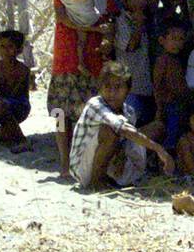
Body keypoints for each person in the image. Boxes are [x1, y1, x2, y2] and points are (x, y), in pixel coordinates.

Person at [49, 0, 113, 177]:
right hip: (66, 54)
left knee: (89, 110)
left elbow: (106, 14)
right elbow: (62, 16)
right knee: (60, 111)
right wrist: (92, 30)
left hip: (94, 55)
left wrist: (104, 36)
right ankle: (64, 162)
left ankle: (85, 162)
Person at [69, 62, 173, 190]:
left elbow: (126, 137)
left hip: (114, 164)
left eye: (118, 87)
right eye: (107, 86)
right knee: (109, 130)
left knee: (157, 128)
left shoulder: (128, 111)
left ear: (127, 90)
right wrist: (159, 150)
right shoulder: (95, 104)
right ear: (100, 88)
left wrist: (122, 152)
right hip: (84, 169)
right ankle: (96, 183)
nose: (112, 92)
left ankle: (123, 177)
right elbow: (122, 129)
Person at [143, 18, 190, 149]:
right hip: (168, 105)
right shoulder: (162, 60)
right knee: (171, 131)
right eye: (173, 38)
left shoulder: (177, 60)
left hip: (178, 103)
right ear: (162, 41)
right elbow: (157, 85)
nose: (177, 43)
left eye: (181, 39)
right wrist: (159, 107)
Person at [114, 0, 156, 124]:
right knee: (130, 124)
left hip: (145, 85)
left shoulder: (148, 20)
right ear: (124, 0)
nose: (140, 1)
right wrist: (138, 25)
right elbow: (131, 46)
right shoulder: (122, 21)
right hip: (130, 87)